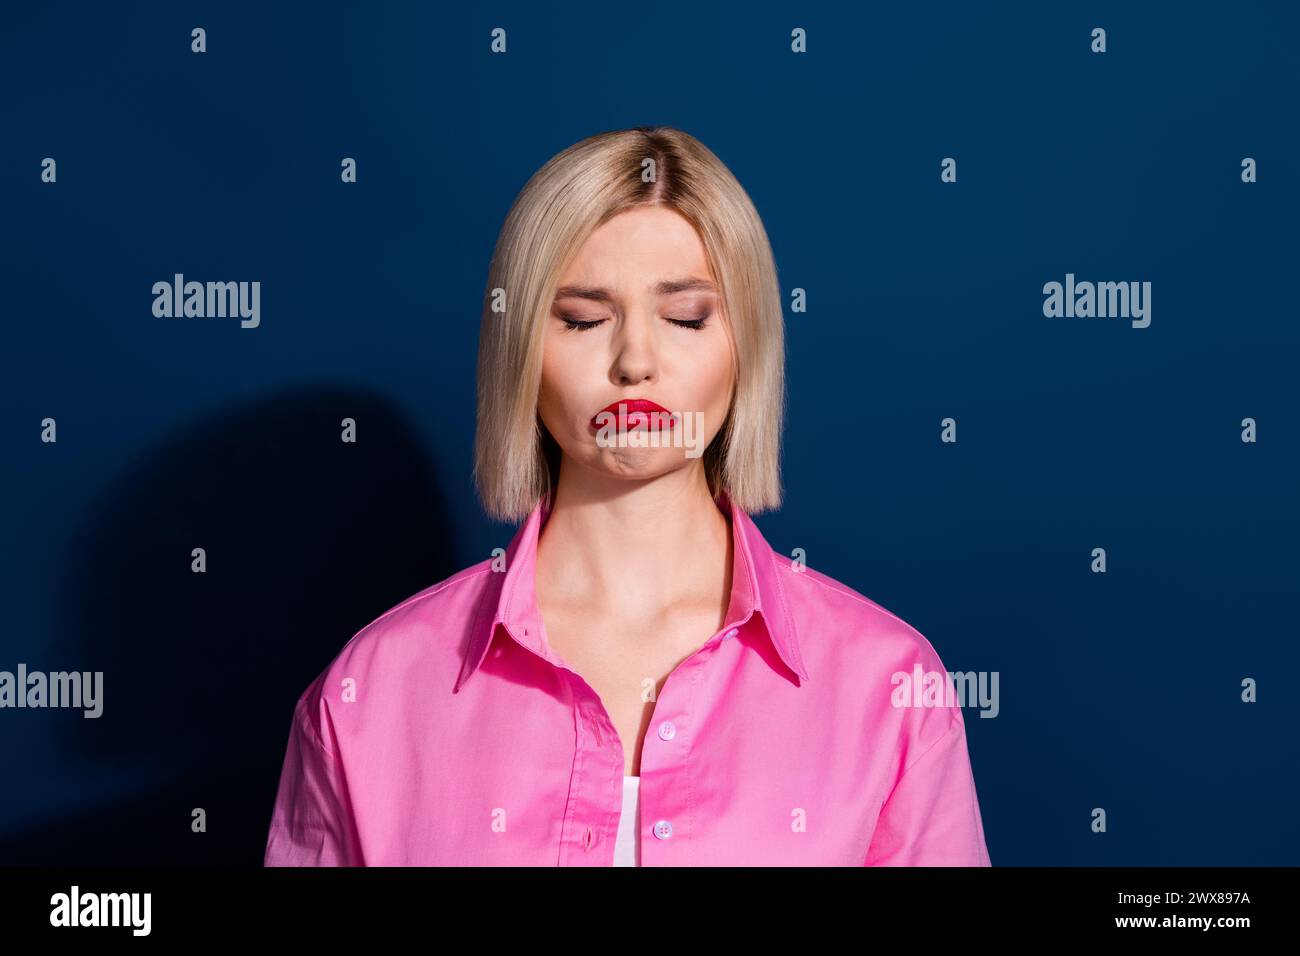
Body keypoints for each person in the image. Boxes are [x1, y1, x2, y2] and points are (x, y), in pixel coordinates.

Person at [263, 125, 991, 866]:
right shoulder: (372, 693)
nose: (635, 361)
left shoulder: (890, 686)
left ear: (749, 347)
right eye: (582, 320)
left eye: (684, 318)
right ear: (520, 351)